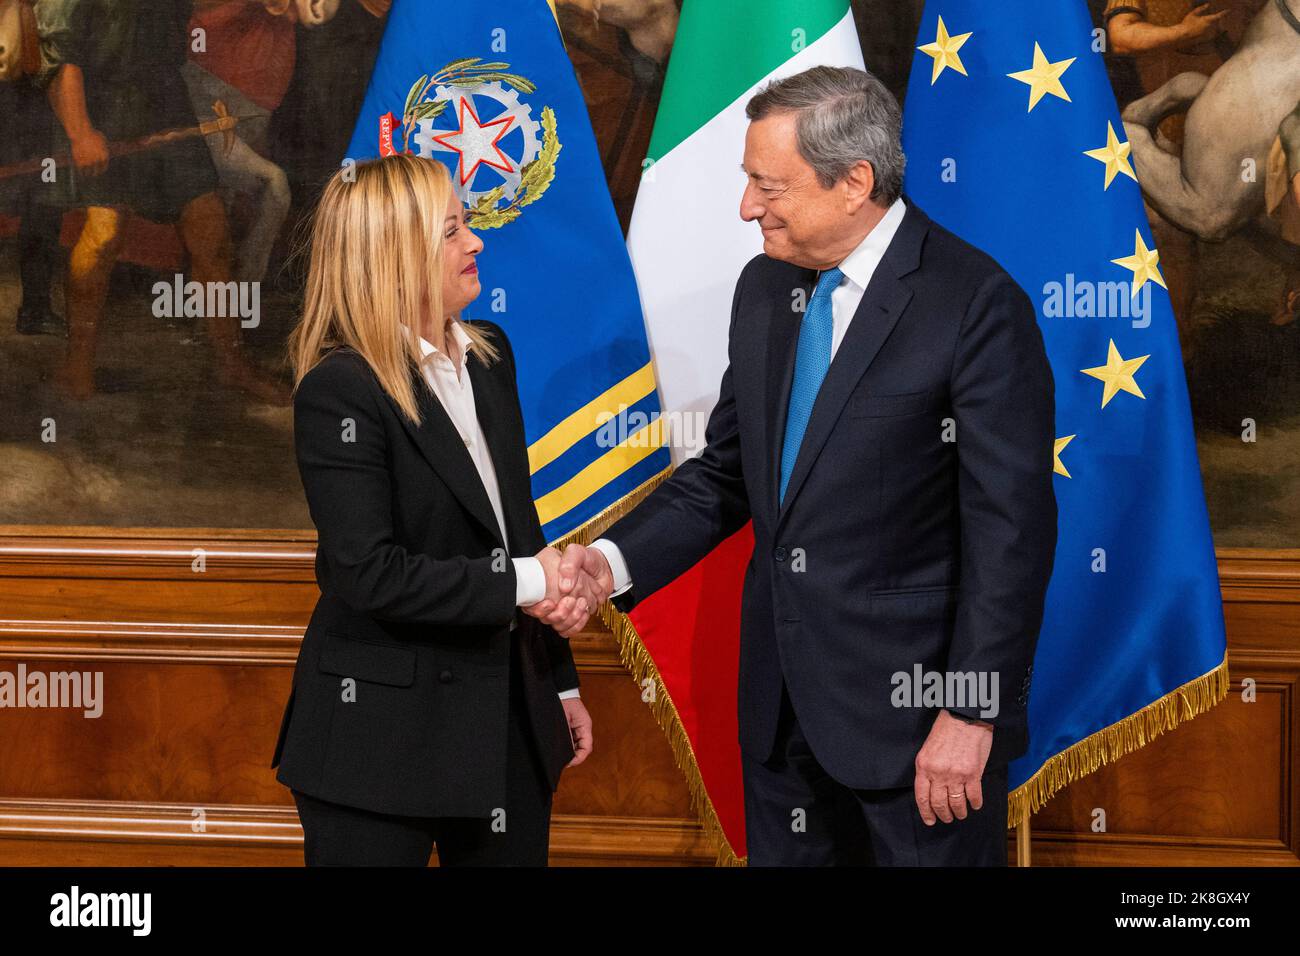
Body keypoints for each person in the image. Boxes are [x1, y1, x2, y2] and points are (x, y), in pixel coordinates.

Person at [548, 66, 1058, 866]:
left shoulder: (973, 304)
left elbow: (1011, 531)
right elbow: (725, 476)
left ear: (855, 181)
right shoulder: (765, 290)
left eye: (767, 185)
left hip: (919, 731)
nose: (747, 207)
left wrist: (970, 712)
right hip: (782, 722)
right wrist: (604, 566)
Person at [271, 153, 599, 866]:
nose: (475, 242)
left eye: (467, 224)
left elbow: (518, 529)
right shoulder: (341, 391)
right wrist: (535, 583)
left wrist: (559, 680)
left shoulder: (491, 357)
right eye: (451, 231)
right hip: (379, 743)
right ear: (394, 255)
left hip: (509, 721)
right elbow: (369, 573)